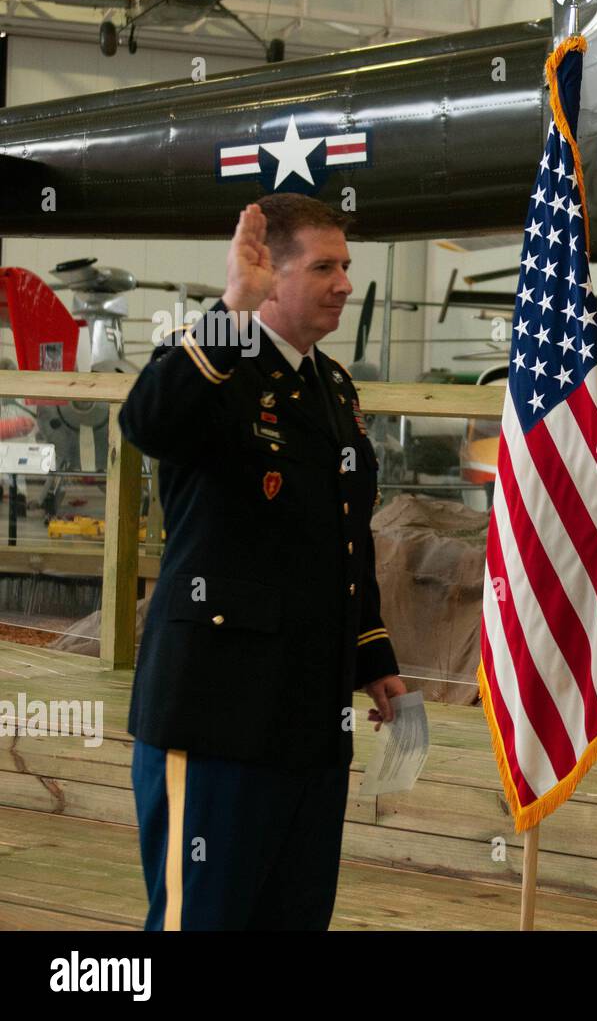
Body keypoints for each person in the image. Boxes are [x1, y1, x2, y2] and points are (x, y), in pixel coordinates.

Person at [120, 193, 405, 930]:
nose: (344, 282)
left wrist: (370, 652)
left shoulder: (331, 386)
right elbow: (146, 419)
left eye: (346, 265)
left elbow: (345, 532)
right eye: (323, 267)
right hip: (218, 715)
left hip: (307, 721)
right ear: (268, 276)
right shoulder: (216, 361)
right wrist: (231, 307)